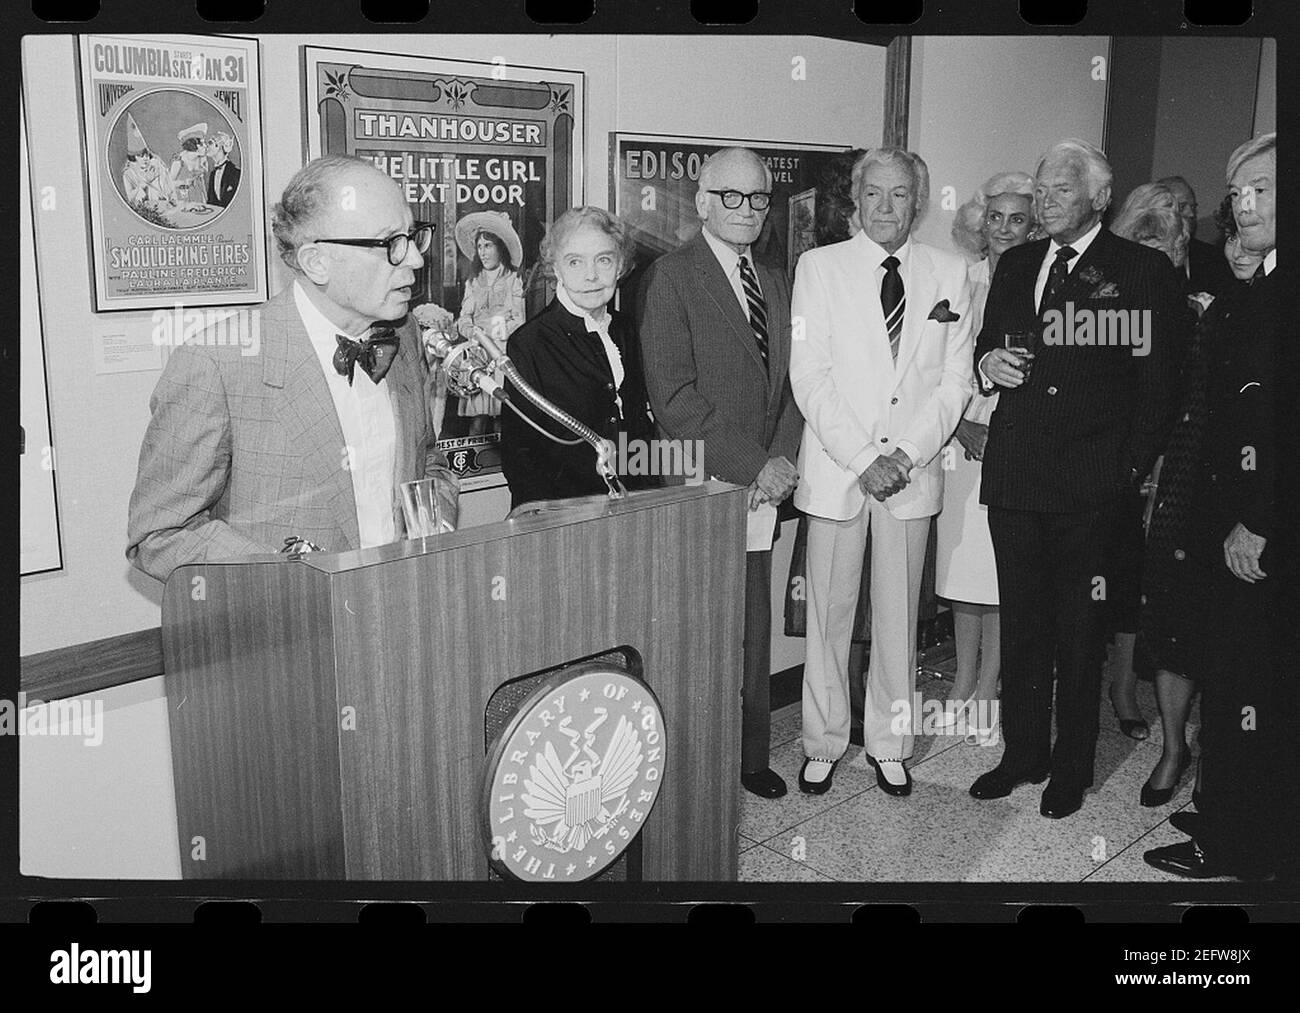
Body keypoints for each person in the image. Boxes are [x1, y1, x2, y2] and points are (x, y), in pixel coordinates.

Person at [127, 155, 459, 582]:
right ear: (316, 261)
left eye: (413, 236)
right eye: (390, 242)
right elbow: (160, 533)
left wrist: (427, 534)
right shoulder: (216, 363)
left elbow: (428, 461)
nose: (414, 258)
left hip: (399, 604)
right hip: (287, 632)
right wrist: (295, 579)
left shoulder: (405, 332)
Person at [969, 139, 1176, 820]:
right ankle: (1022, 751)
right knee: (1024, 625)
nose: (1045, 199)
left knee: (1080, 629)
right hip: (1017, 477)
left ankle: (1072, 765)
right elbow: (986, 342)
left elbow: (1160, 385)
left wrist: (1127, 471)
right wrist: (987, 363)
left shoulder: (1139, 270)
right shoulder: (1019, 261)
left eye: (1060, 188)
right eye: (1041, 187)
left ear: (1098, 197)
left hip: (1092, 486)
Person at [790, 146, 973, 797]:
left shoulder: (951, 271)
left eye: (900, 195)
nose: (887, 207)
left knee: (899, 620)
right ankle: (823, 739)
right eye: (875, 194)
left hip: (912, 475)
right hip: (842, 471)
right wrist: (867, 460)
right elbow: (808, 376)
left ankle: (889, 742)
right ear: (856, 200)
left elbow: (954, 382)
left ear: (917, 202)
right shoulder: (820, 268)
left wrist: (907, 456)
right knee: (829, 616)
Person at [639, 147, 804, 799]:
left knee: (752, 627)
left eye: (758, 198)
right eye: (731, 196)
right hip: (703, 488)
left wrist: (783, 459)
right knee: (700, 634)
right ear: (703, 201)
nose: (746, 209)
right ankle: (694, 768)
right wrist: (757, 464)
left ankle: (751, 755)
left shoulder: (776, 279)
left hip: (765, 487)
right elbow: (675, 400)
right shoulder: (668, 278)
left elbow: (795, 382)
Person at [1146, 133, 1280, 878]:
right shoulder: (1257, 284)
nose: (1246, 204)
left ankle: (1236, 842)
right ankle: (1231, 813)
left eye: (1263, 187)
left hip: (1257, 529)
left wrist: (1260, 520)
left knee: (1249, 689)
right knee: (1233, 685)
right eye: (1240, 193)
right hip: (1225, 518)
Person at [936, 171, 1040, 746]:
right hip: (960, 445)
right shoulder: (961, 278)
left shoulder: (1042, 286)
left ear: (1036, 225)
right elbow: (937, 366)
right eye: (994, 217)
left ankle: (989, 689)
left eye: (1017, 218)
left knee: (1003, 572)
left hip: (1017, 445)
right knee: (962, 571)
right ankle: (962, 679)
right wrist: (958, 425)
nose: (1003, 229)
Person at [1101, 181, 1193, 743]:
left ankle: (1123, 688)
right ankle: (1107, 686)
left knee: (1141, 579)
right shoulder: (1106, 296)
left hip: (1173, 459)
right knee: (1105, 574)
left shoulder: (1193, 300)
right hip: (1116, 455)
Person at [500, 206, 656, 508]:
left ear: (621, 265)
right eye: (575, 262)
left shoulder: (628, 329)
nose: (591, 276)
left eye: (604, 260)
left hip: (633, 509)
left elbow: (640, 429)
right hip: (565, 519)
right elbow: (521, 460)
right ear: (555, 268)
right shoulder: (529, 343)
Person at [454, 211, 526, 436]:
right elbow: (463, 318)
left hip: (503, 355)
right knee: (477, 420)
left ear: (500, 247)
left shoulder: (513, 280)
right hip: (478, 357)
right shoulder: (473, 282)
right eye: (480, 246)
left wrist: (493, 331)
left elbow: (519, 320)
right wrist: (473, 332)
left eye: (488, 246)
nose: (483, 252)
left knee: (502, 418)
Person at [1157, 175, 1235, 299]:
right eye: (1182, 207)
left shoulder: (1214, 257)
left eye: (1193, 207)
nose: (1191, 214)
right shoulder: (1143, 255)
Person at [205, 131, 241, 208]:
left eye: (210, 143)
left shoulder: (236, 173)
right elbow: (211, 202)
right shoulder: (213, 174)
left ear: (220, 147)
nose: (206, 146)